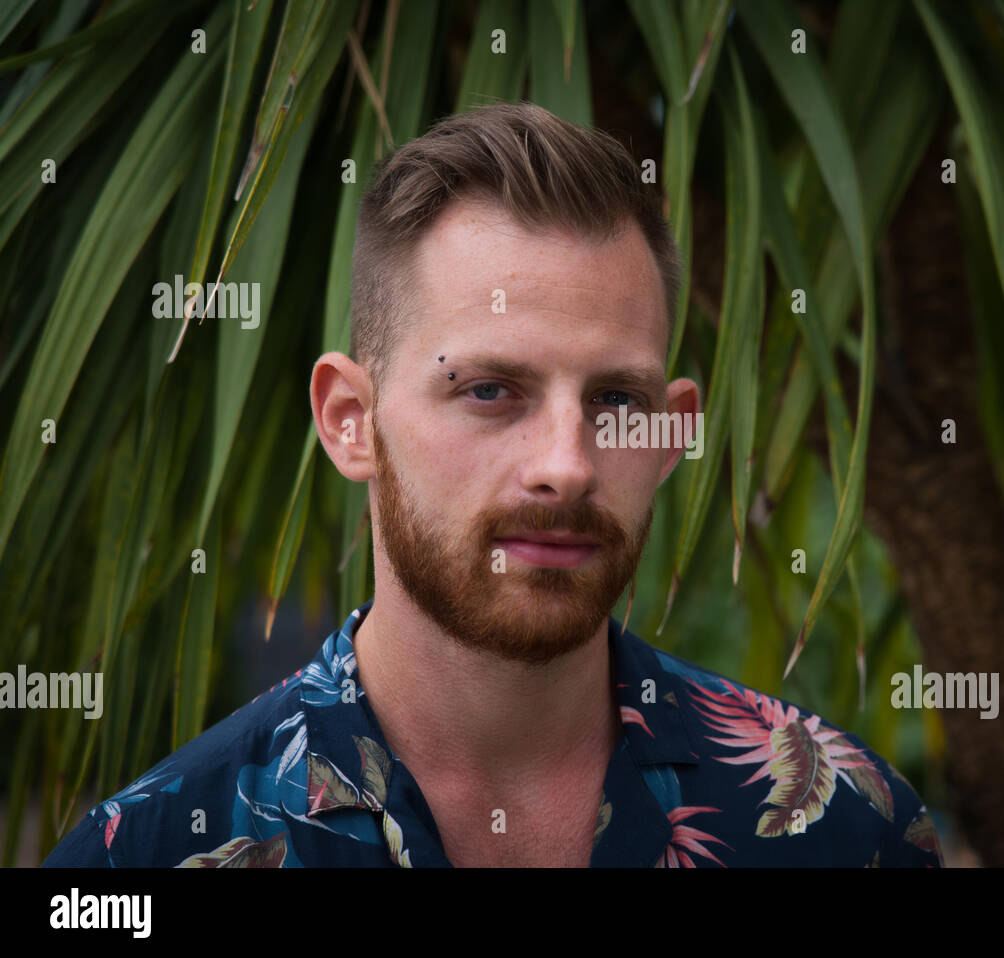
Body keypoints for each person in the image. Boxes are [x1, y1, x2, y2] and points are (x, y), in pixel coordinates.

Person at [44, 102, 942, 868]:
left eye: (616, 398)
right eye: (488, 390)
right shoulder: (145, 858)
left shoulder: (846, 831)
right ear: (350, 420)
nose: (567, 463)